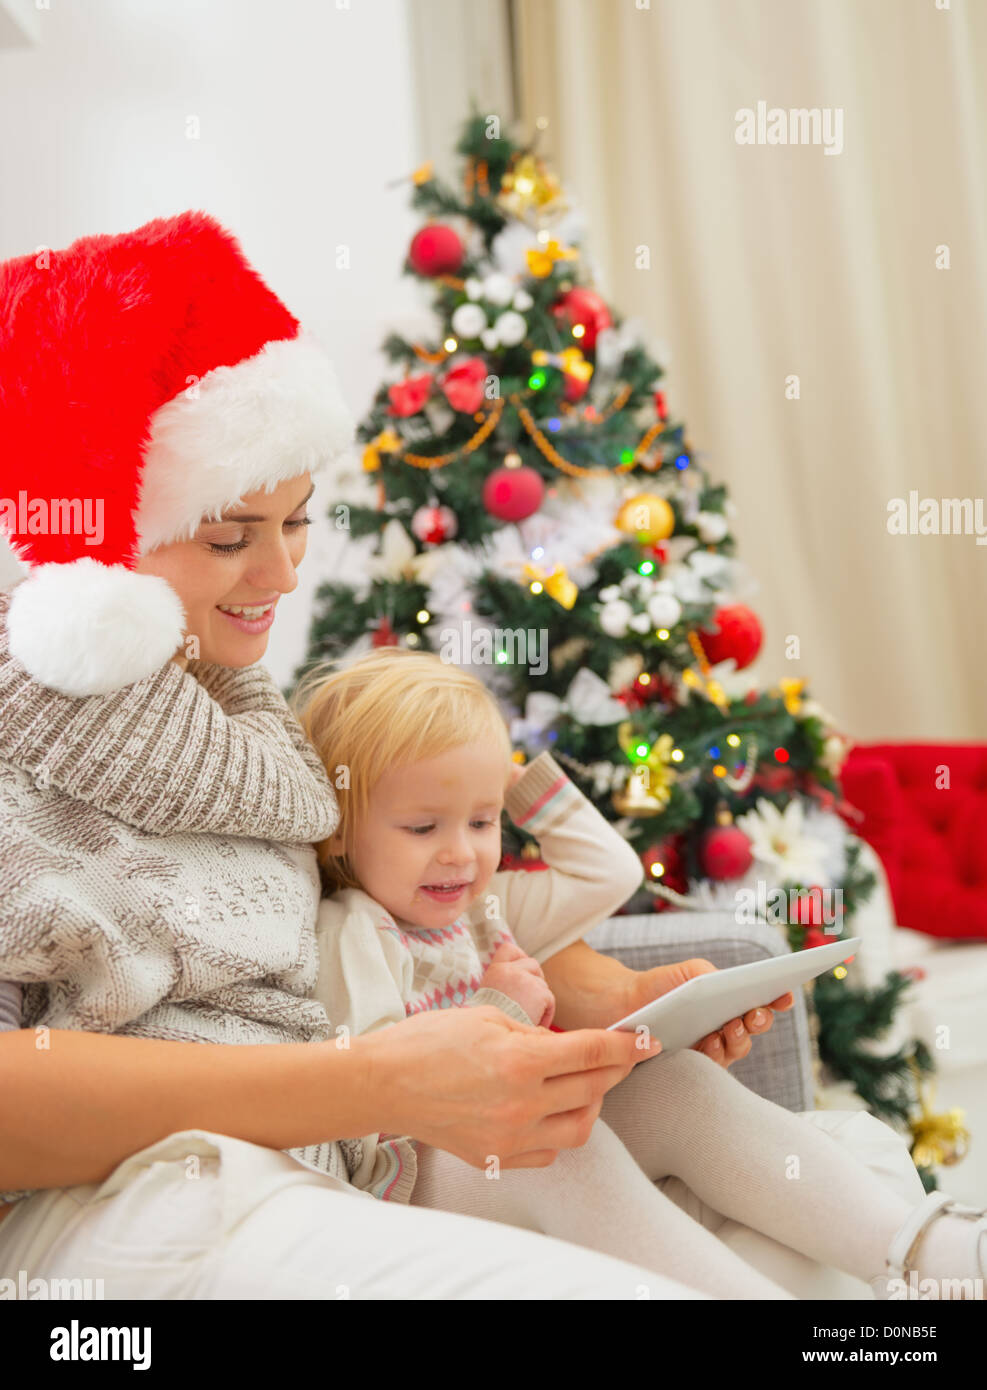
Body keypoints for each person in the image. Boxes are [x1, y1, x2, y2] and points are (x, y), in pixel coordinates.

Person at [1, 211, 982, 1301]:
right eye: (230, 535)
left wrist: (590, 999)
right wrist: (367, 1079)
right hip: (140, 1194)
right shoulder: (27, 749)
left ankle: (942, 1259)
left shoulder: (239, 720)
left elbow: (362, 918)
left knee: (781, 1208)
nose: (281, 575)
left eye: (299, 522)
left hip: (347, 1153)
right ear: (90, 546)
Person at [290, 648, 987, 1298]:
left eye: (481, 822)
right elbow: (377, 1096)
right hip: (411, 1174)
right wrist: (497, 1008)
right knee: (561, 1142)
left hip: (505, 1136)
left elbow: (611, 872)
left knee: (678, 1080)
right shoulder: (355, 929)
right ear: (341, 829)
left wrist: (512, 778)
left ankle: (931, 1255)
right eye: (421, 828)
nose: (460, 856)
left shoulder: (483, 905)